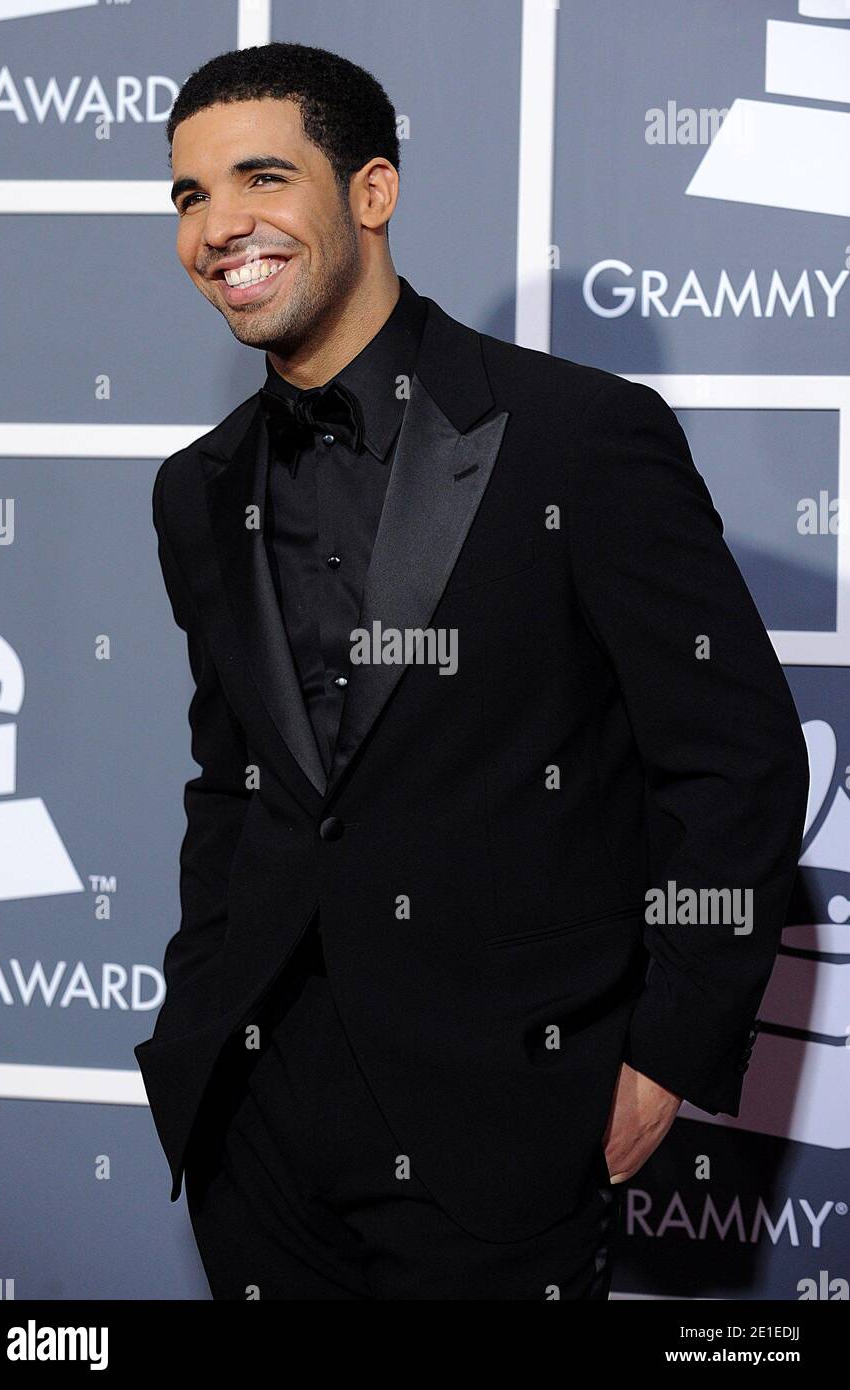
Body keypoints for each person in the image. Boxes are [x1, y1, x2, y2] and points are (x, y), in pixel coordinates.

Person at [135, 42, 809, 1300]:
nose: (219, 226)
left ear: (370, 192)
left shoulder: (578, 437)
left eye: (261, 177)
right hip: (259, 1131)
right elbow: (230, 786)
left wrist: (662, 1052)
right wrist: (197, 1029)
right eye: (187, 194)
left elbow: (734, 759)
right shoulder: (196, 488)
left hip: (500, 1124)